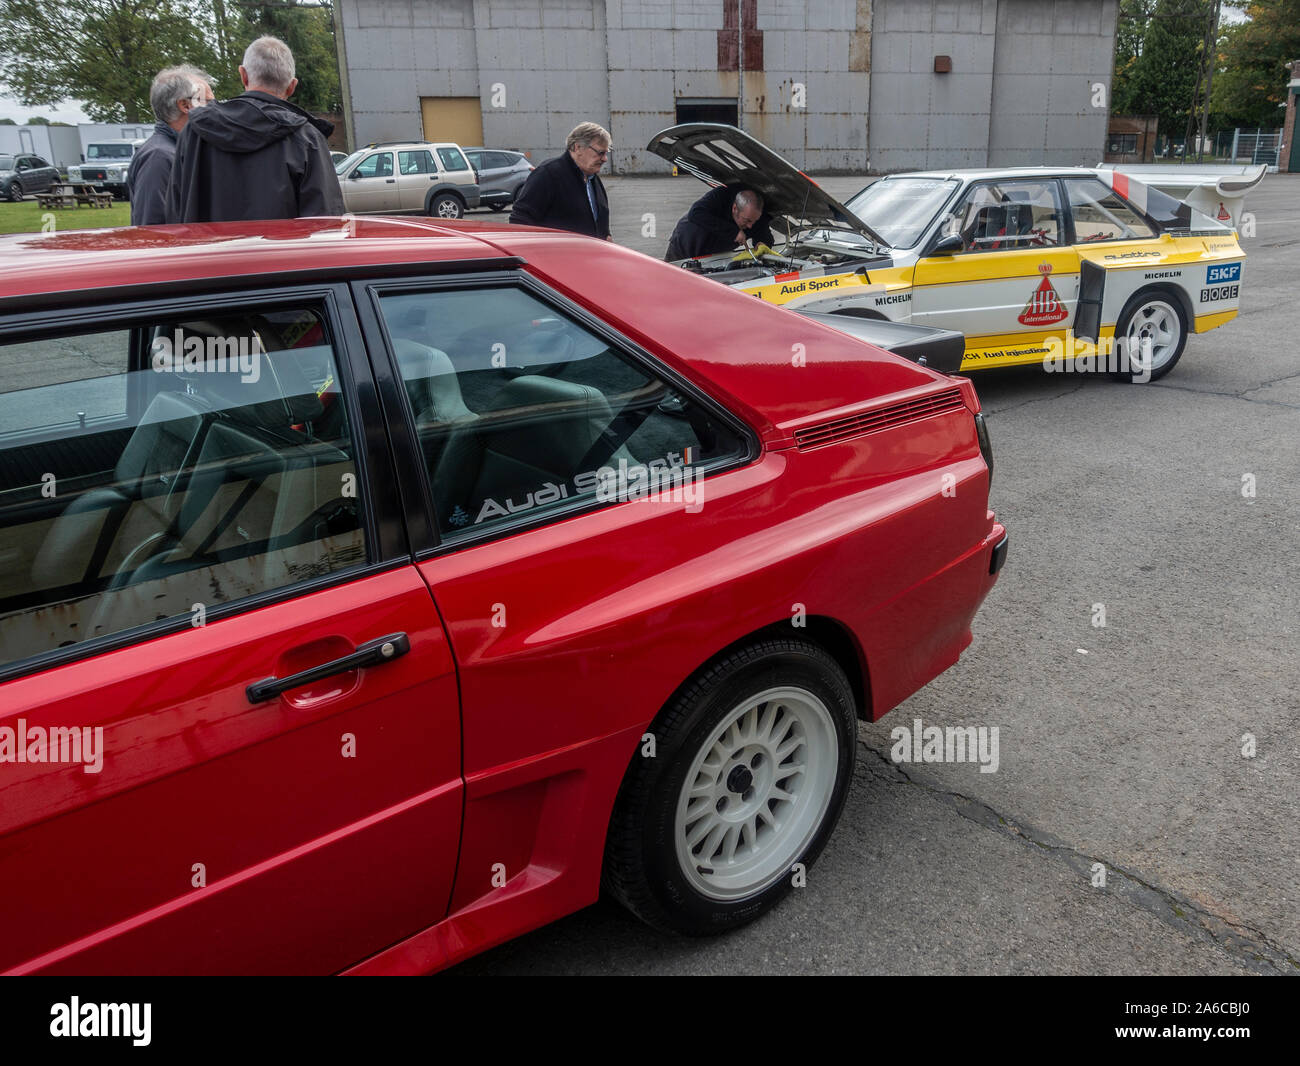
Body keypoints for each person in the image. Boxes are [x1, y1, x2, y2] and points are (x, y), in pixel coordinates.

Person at [166, 36, 343, 223]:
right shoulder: (308, 140)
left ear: (243, 75)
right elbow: (325, 225)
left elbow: (174, 213)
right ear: (291, 87)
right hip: (278, 252)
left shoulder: (194, 133)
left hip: (208, 251)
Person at [127, 65, 214, 226]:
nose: (215, 109)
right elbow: (152, 229)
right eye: (209, 102)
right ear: (186, 105)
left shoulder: (177, 151)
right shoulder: (158, 157)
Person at [509, 122, 611, 239]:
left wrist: (606, 236)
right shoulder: (548, 174)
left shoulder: (592, 179)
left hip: (593, 254)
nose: (605, 159)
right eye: (600, 153)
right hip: (557, 255)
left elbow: (600, 222)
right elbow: (520, 220)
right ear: (578, 148)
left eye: (606, 153)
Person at [665, 185, 775, 261]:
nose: (750, 226)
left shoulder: (755, 215)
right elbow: (695, 213)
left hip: (715, 254)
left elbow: (764, 234)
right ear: (734, 208)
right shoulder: (721, 195)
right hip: (686, 244)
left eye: (754, 221)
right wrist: (733, 232)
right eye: (747, 220)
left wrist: (762, 244)